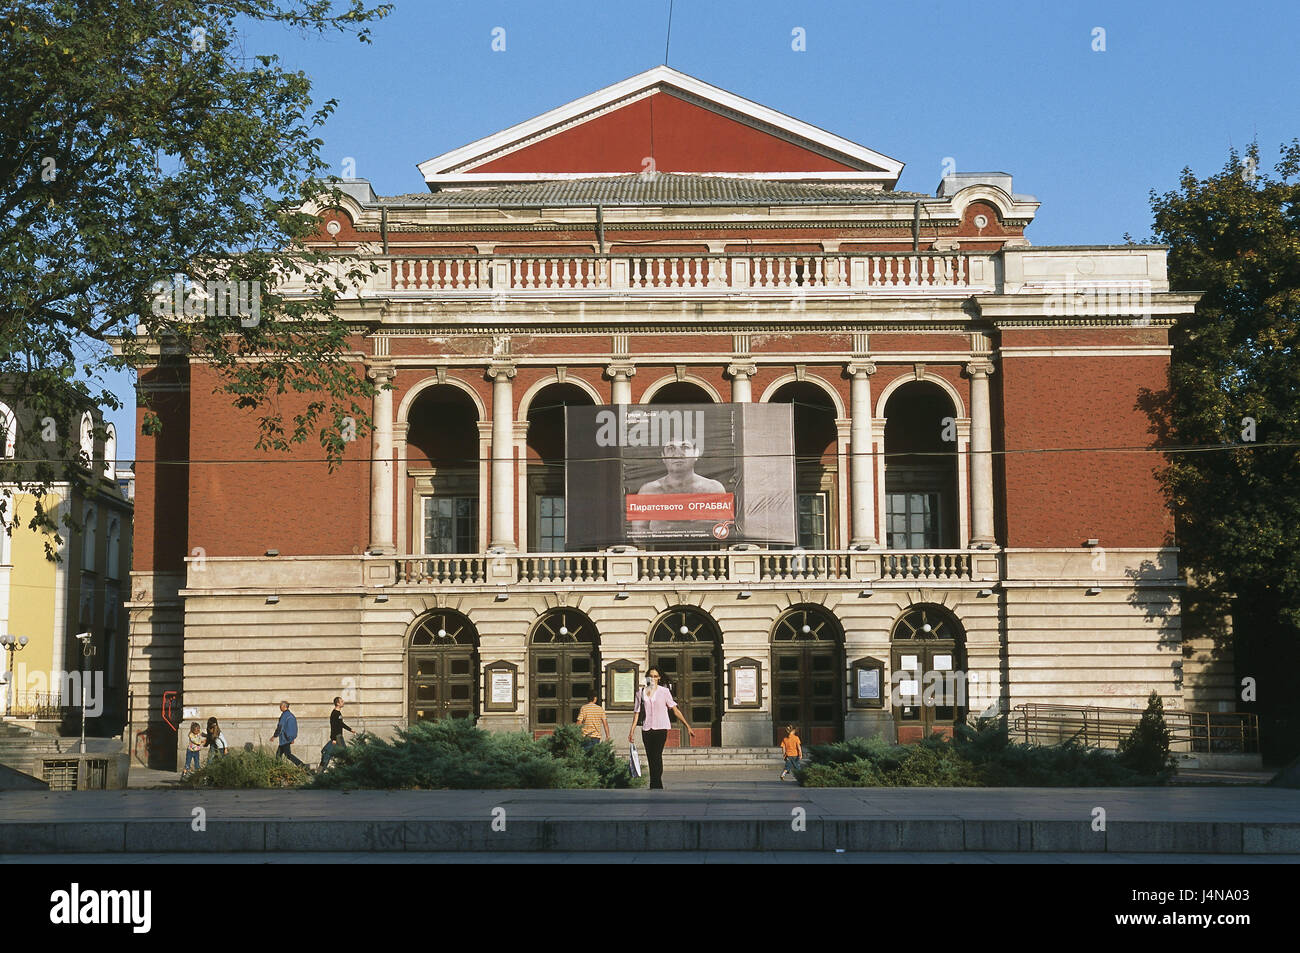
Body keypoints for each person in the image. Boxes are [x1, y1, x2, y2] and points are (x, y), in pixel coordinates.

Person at [635, 439, 727, 535]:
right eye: (671, 448)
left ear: (696, 453)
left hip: (705, 549)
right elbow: (638, 531)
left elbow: (724, 529)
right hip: (660, 549)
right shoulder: (648, 490)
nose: (678, 454)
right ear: (663, 456)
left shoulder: (713, 489)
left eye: (685, 447)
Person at [627, 668, 694, 790]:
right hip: (647, 728)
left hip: (661, 727)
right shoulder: (640, 692)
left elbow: (675, 709)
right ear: (647, 677)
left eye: (655, 676)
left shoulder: (664, 692)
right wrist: (631, 731)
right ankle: (655, 783)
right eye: (650, 676)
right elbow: (637, 712)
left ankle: (656, 784)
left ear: (659, 678)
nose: (653, 678)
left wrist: (687, 725)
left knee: (657, 755)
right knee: (650, 756)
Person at [319, 696, 356, 770]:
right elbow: (333, 726)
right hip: (337, 738)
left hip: (338, 737)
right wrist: (333, 738)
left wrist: (350, 729)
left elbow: (341, 724)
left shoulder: (338, 713)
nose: (343, 702)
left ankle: (322, 771)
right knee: (330, 753)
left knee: (330, 753)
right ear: (337, 703)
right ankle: (321, 771)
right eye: (341, 701)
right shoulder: (335, 713)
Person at [270, 700, 306, 768]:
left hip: (285, 738)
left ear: (284, 706)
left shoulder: (285, 715)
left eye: (280, 706)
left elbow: (280, 727)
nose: (279, 707)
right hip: (287, 738)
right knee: (279, 755)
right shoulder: (290, 715)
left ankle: (302, 765)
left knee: (287, 755)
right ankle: (278, 768)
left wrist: (274, 736)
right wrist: (292, 738)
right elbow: (293, 727)